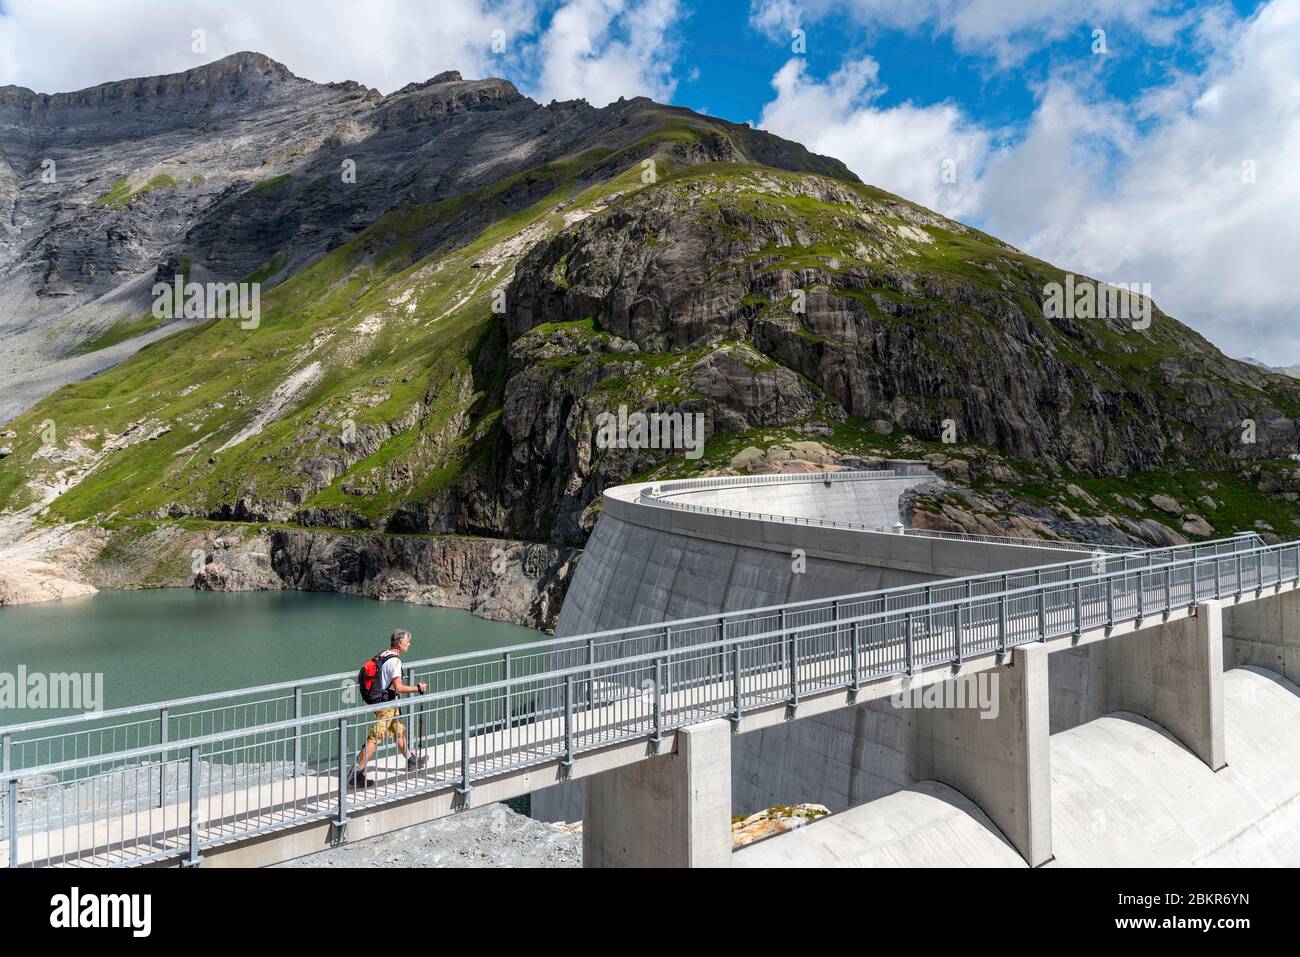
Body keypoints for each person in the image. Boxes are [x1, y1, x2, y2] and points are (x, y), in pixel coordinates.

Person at [351, 628, 427, 789]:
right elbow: (398, 687)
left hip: (387, 703)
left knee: (399, 731)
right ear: (400, 643)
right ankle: (357, 775)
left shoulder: (384, 654)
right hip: (386, 706)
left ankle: (411, 761)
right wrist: (418, 688)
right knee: (375, 738)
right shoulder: (396, 661)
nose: (409, 644)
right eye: (407, 641)